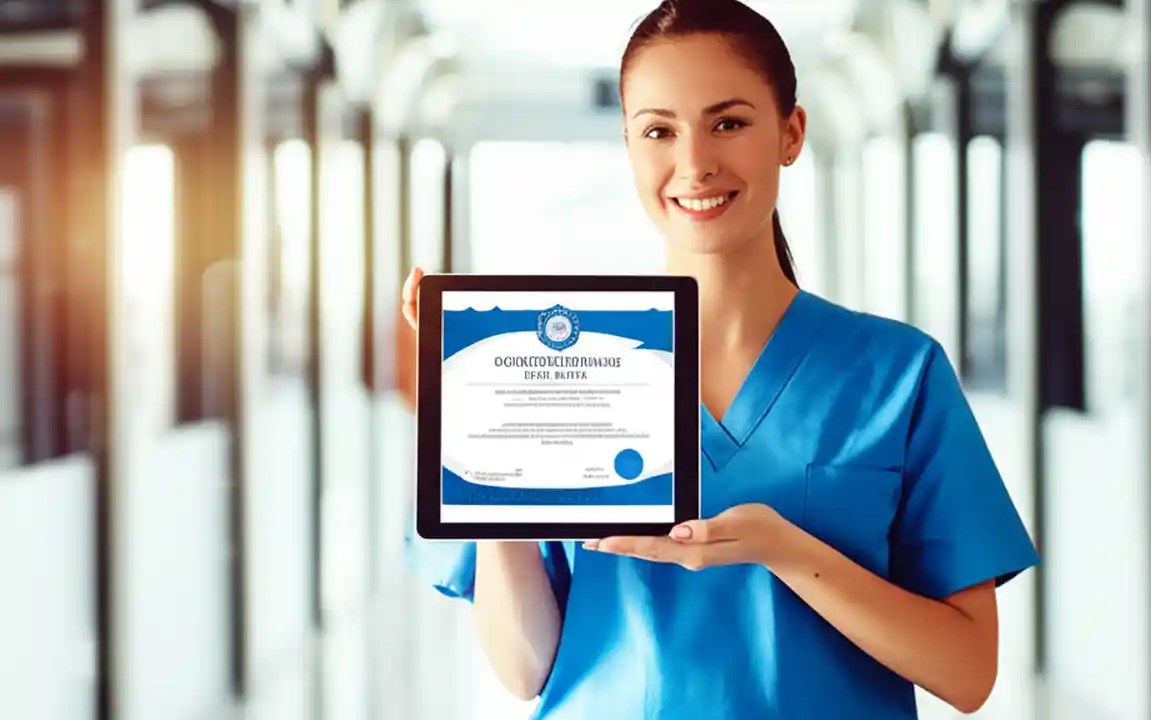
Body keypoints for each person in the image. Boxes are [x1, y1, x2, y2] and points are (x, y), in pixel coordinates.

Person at [399, 1, 1040, 717]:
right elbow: (524, 667)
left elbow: (967, 671)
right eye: (658, 131)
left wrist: (786, 550)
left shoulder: (897, 375)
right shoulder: (567, 363)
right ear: (630, 146)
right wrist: (484, 439)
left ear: (790, 133)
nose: (695, 163)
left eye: (728, 123)